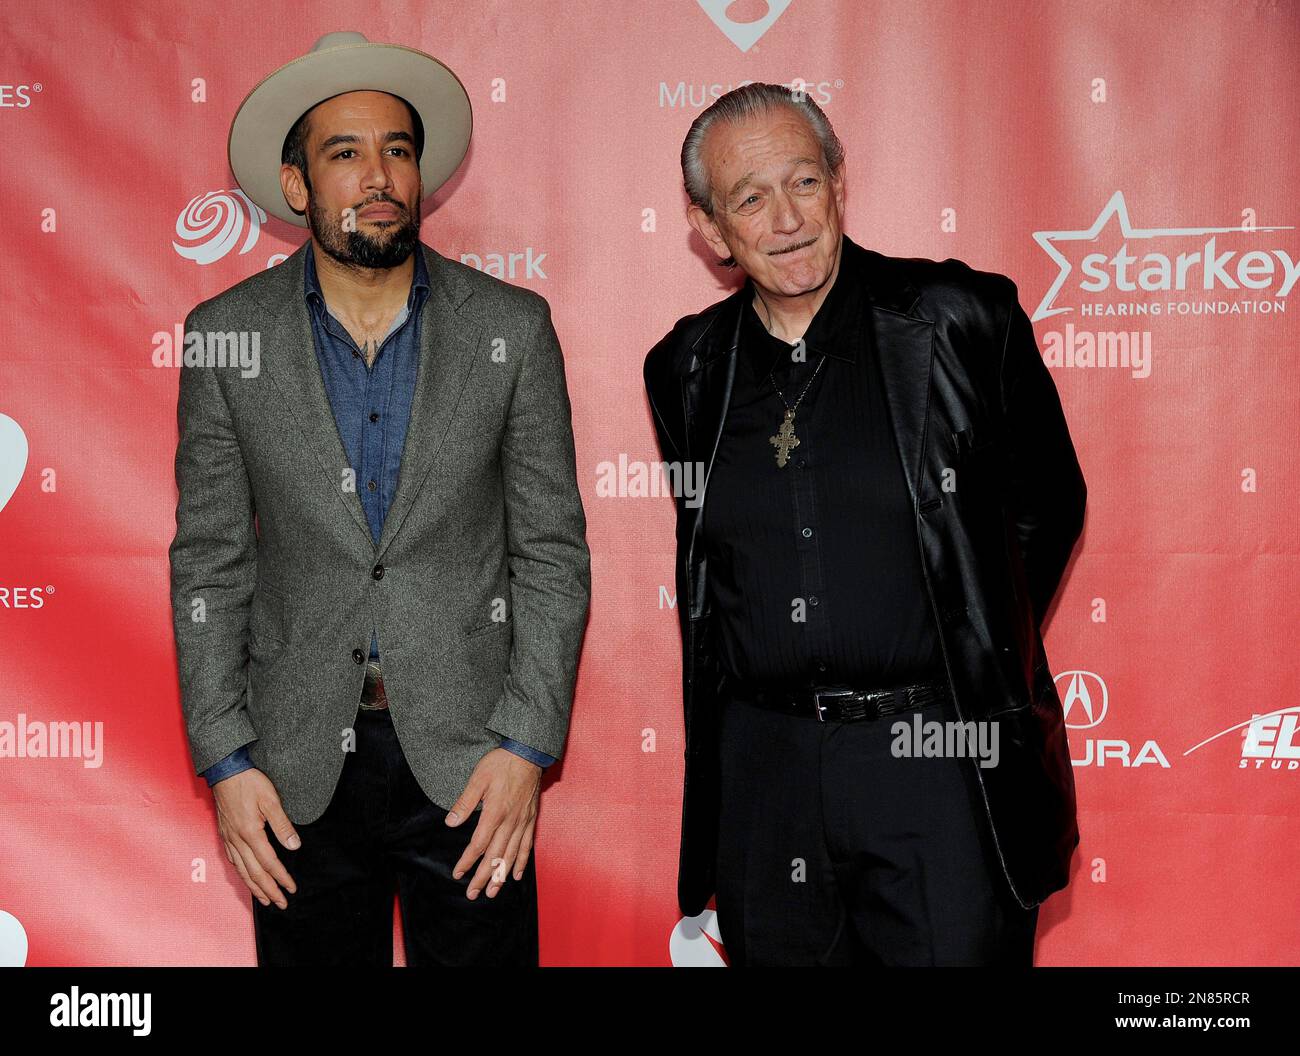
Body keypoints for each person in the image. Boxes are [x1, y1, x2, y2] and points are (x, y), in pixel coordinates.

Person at [169, 32, 590, 966]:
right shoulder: (223, 338)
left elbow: (552, 552)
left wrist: (525, 746)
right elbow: (208, 560)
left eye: (397, 150)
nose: (378, 176)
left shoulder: (513, 330)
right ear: (295, 185)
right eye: (345, 153)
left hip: (474, 765)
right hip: (295, 770)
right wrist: (228, 760)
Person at [643, 82, 1087, 966]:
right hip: (766, 777)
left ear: (841, 182)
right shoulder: (687, 365)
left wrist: (966, 637)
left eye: (803, 182)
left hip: (937, 762)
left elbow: (1048, 505)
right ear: (708, 227)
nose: (786, 219)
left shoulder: (959, 318)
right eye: (749, 198)